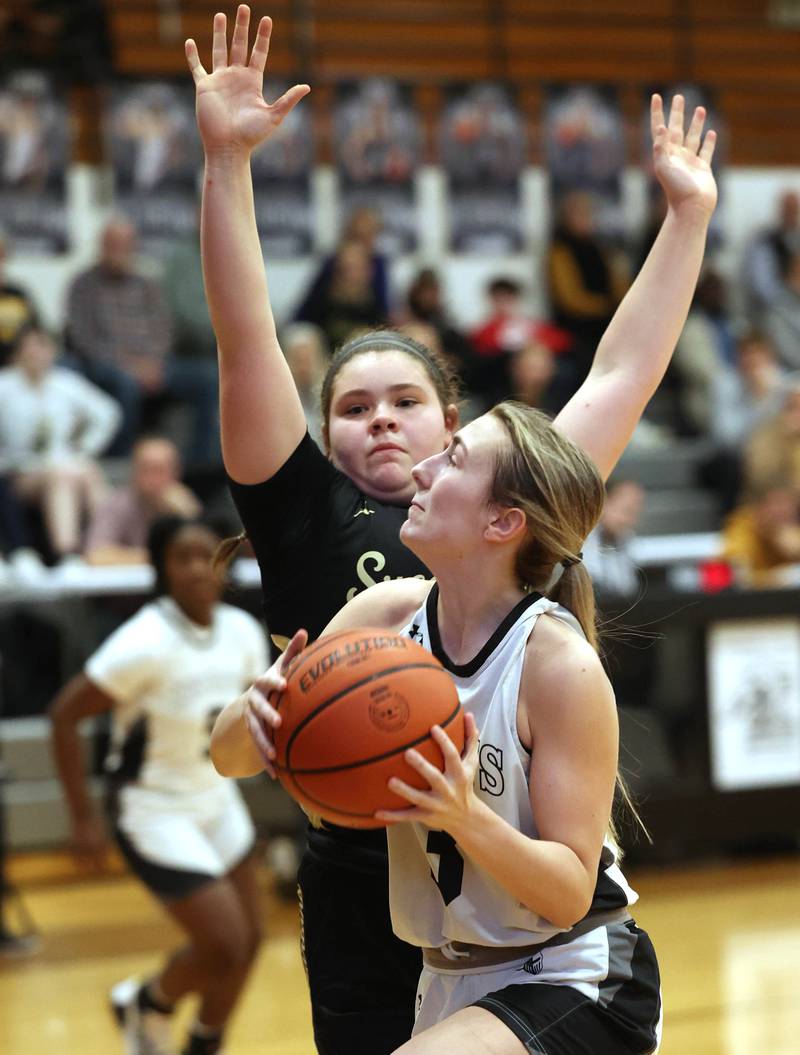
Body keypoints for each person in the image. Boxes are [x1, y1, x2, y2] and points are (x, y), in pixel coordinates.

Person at [185, 7, 716, 1050]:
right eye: (351, 404)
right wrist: (225, 165)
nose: (380, 419)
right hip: (369, 874)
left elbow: (620, 369)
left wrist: (685, 219)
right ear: (321, 428)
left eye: (405, 401)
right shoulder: (307, 511)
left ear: (452, 424)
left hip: (518, 884)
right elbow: (245, 333)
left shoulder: (502, 498)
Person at [212, 402, 662, 1054]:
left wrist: (463, 813)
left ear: (503, 521)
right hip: (448, 979)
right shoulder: (386, 613)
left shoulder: (556, 663)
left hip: (573, 973)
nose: (421, 469)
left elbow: (567, 893)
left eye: (452, 459)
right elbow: (230, 758)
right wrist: (256, 712)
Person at [49, 515, 268, 1055]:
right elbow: (62, 716)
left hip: (215, 798)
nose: (196, 568)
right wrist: (81, 816)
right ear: (162, 568)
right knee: (224, 944)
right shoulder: (144, 639)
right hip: (152, 809)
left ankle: (200, 1043)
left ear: (225, 565)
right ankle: (147, 1001)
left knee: (251, 941)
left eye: (205, 556)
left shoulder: (241, 632)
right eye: (181, 557)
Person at [0, 324, 119, 564]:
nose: (37, 353)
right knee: (62, 475)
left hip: (62, 463)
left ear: (53, 351)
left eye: (43, 346)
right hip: (20, 471)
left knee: (87, 472)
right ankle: (66, 553)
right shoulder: (4, 385)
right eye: (30, 347)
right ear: (18, 352)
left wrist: (85, 447)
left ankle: (103, 549)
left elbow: (108, 412)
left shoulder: (66, 383)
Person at [85, 435, 202, 566]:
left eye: (158, 470)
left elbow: (203, 554)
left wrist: (189, 514)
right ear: (133, 471)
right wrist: (158, 557)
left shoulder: (184, 504)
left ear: (176, 472)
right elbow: (96, 555)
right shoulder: (116, 504)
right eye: (145, 469)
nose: (151, 478)